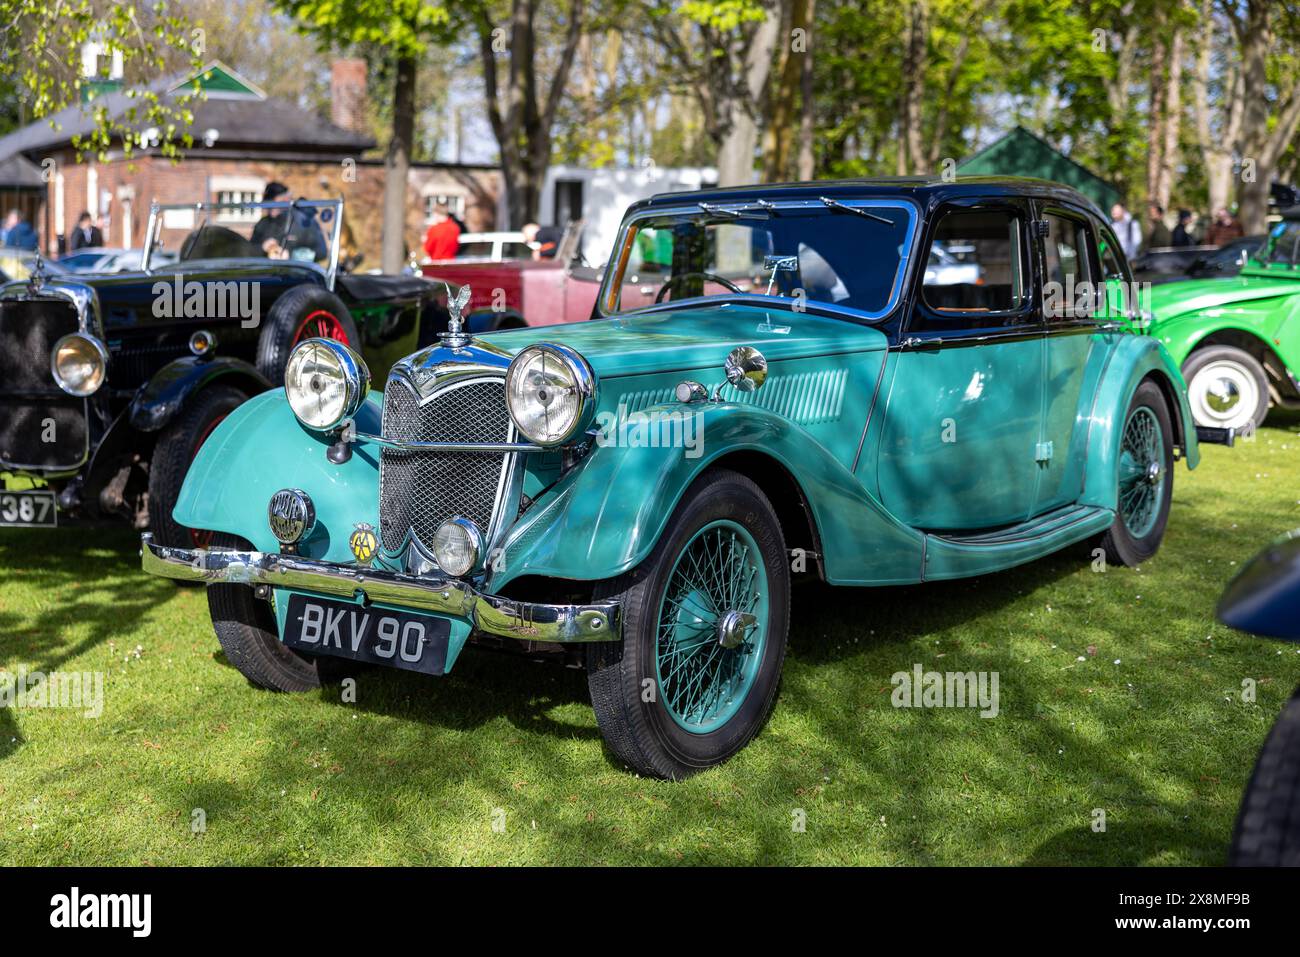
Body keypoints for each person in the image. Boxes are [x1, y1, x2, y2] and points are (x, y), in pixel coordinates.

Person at [250, 182, 326, 261]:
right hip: (267, 271)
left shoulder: (304, 222)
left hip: (296, 271)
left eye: (275, 202)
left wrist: (291, 255)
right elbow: (250, 251)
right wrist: (262, 248)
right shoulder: (262, 224)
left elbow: (321, 252)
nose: (272, 210)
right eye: (269, 203)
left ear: (285, 199)